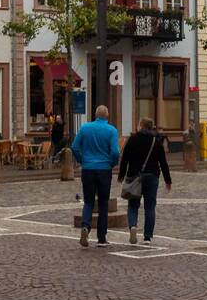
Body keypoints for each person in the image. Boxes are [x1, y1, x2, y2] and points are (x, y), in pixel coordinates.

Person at [71, 104, 120, 247]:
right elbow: (116, 152)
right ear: (107, 116)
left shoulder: (85, 128)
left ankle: (85, 226)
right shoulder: (112, 130)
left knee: (88, 202)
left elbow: (74, 147)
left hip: (87, 168)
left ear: (95, 115)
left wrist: (82, 159)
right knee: (103, 204)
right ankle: (101, 237)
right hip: (104, 169)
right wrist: (112, 163)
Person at [118, 117, 172, 245]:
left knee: (133, 204)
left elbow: (125, 158)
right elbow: (163, 162)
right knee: (150, 206)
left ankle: (133, 226)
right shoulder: (156, 141)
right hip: (152, 176)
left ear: (141, 126)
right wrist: (168, 180)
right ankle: (147, 237)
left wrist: (121, 175)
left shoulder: (133, 139)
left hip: (135, 176)